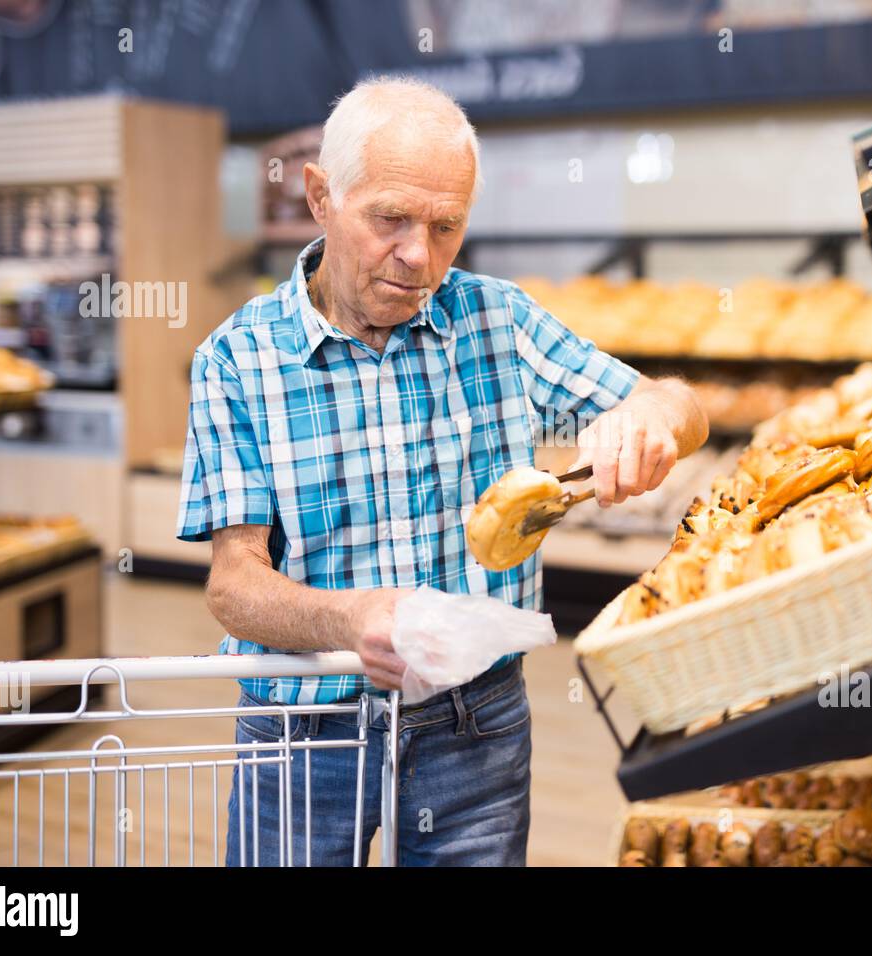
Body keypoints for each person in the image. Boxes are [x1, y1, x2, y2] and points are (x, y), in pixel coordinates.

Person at [176, 75, 708, 866]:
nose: (419, 256)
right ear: (321, 197)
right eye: (390, 218)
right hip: (303, 726)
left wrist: (652, 419)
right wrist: (352, 619)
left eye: (446, 226)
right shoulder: (237, 360)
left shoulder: (496, 320)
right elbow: (234, 585)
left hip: (474, 725)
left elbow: (679, 405)